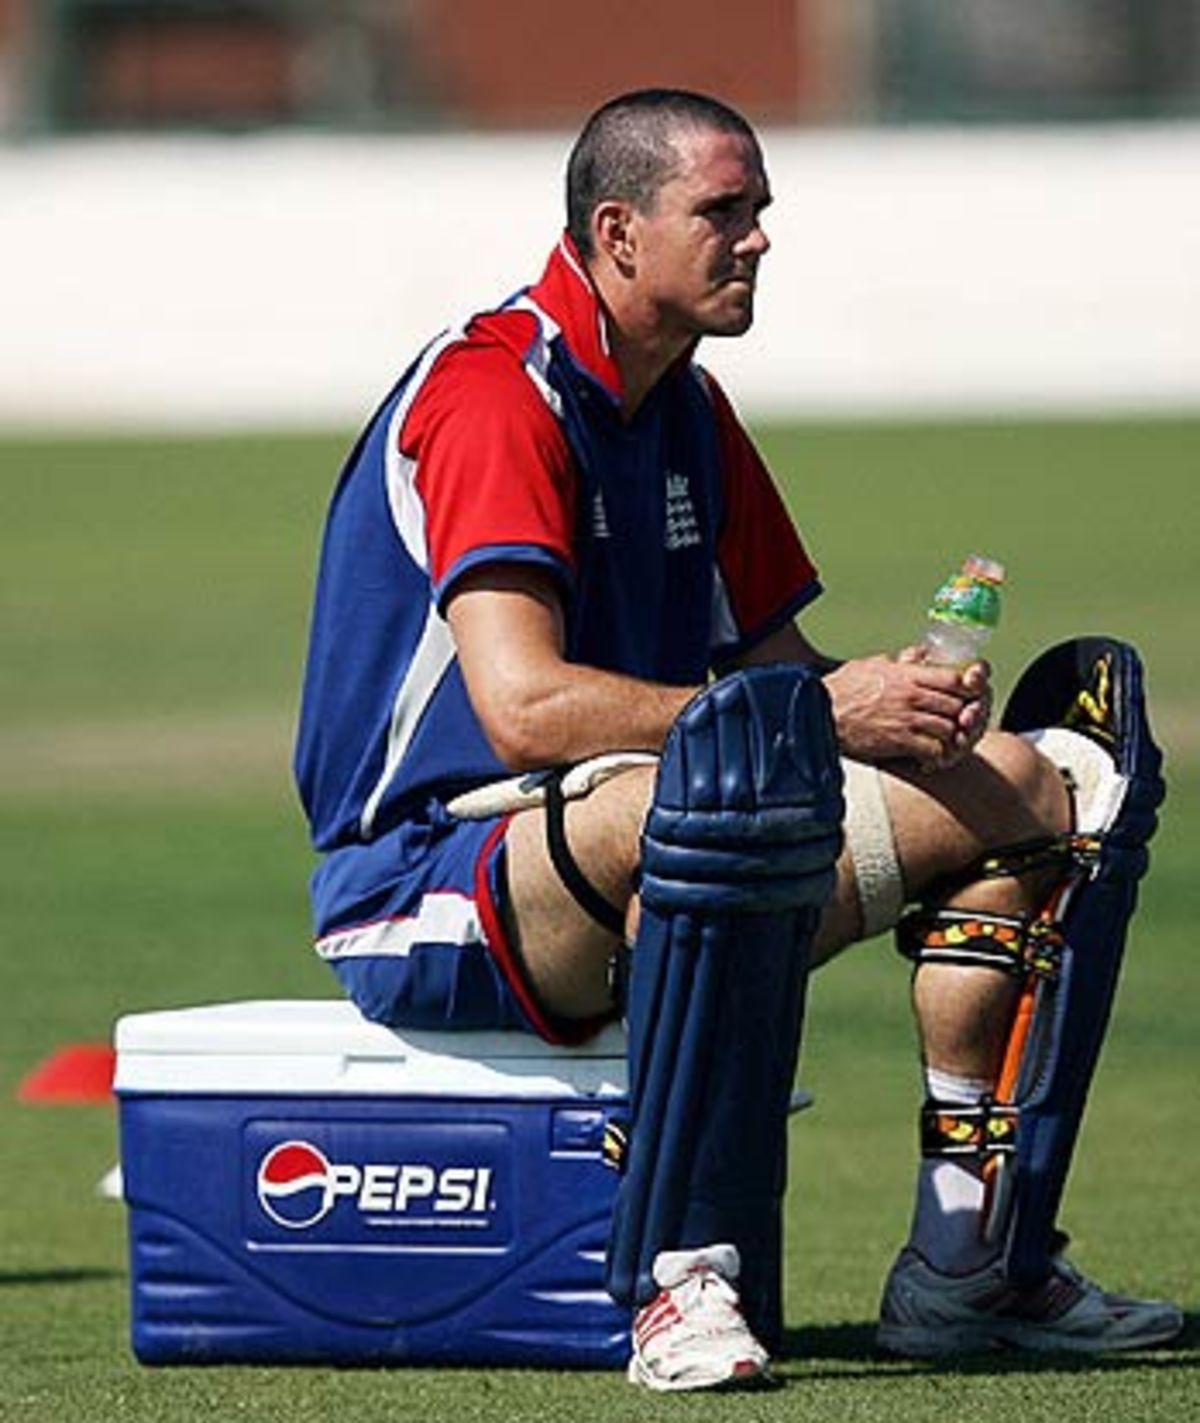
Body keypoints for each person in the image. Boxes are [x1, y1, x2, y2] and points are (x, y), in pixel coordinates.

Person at [294, 88, 1182, 1391]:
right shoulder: (496, 398)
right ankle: (678, 1281)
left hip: (658, 826)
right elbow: (522, 707)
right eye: (724, 211)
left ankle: (969, 1264)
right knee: (707, 796)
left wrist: (906, 703)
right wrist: (823, 715)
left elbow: (782, 683)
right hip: (422, 888)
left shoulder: (688, 418)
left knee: (1047, 783)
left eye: (760, 210)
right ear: (618, 230)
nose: (757, 238)